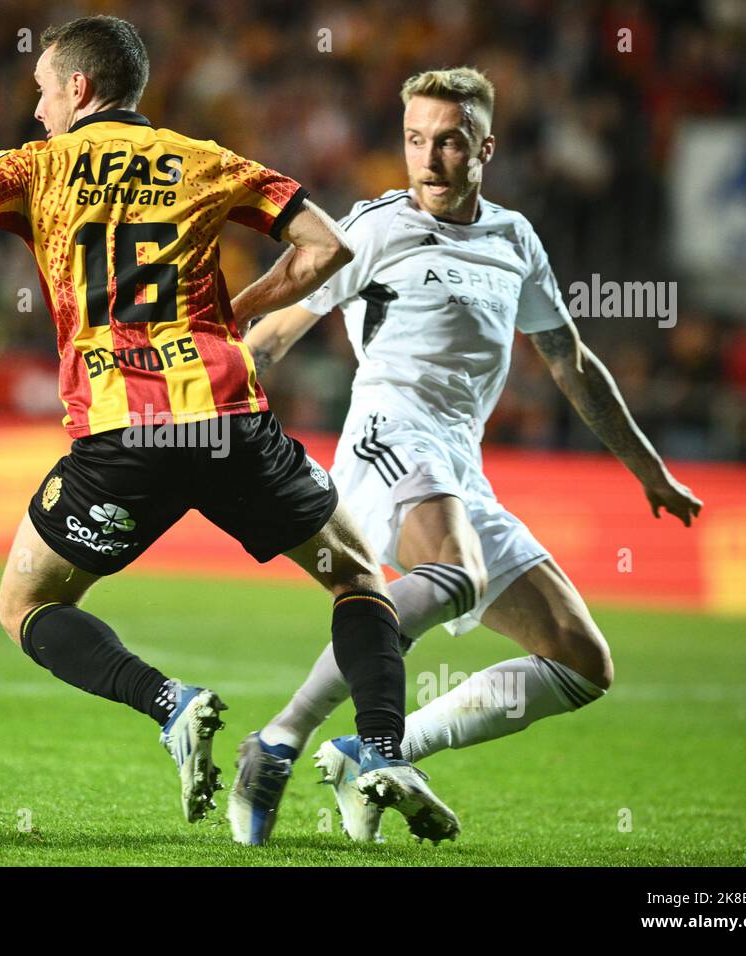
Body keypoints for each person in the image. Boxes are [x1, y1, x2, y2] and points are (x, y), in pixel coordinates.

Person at [0, 16, 459, 842]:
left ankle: (168, 703)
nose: (37, 111)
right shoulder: (205, 159)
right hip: (228, 422)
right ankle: (385, 749)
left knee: (26, 605)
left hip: (122, 436)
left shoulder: (37, 166)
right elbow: (329, 247)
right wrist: (231, 317)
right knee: (359, 581)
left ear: (78, 89)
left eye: (42, 92)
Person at [228, 66, 702, 845]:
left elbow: (570, 359)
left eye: (449, 141)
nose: (429, 158)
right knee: (455, 573)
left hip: (459, 468)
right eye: (416, 140)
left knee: (580, 663)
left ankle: (373, 753)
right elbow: (273, 333)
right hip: (385, 438)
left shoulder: (515, 239)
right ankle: (279, 739)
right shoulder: (372, 227)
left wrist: (649, 469)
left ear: (486, 145)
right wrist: (210, 414)